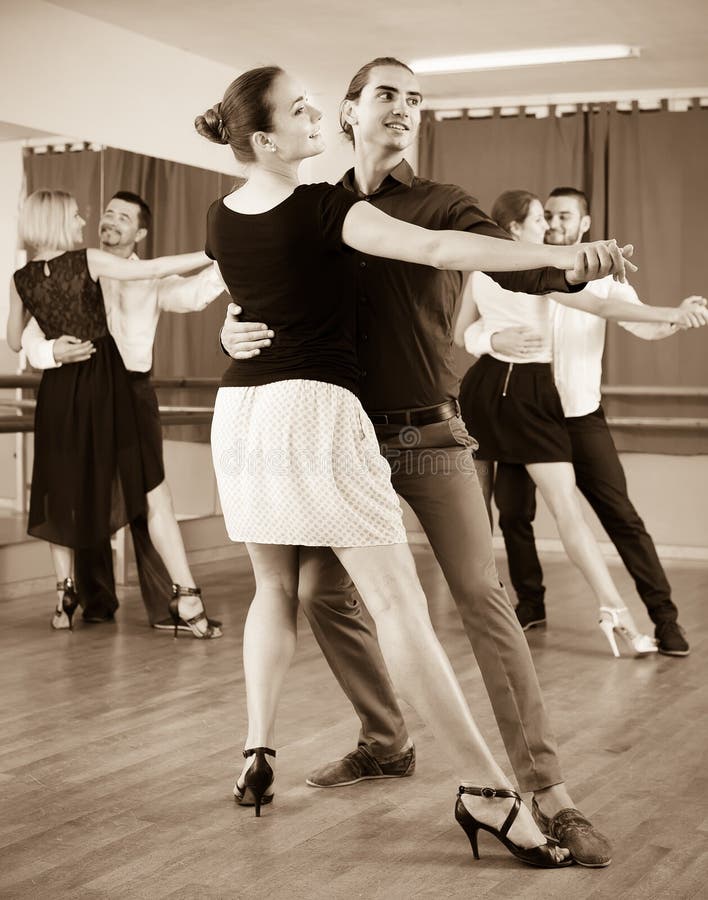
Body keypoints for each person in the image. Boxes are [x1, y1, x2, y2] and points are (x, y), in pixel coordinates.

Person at [194, 63, 639, 867]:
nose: (404, 109)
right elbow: (254, 300)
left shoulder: (436, 202)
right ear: (350, 112)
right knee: (319, 594)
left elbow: (494, 253)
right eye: (387, 95)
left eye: (416, 99)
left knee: (480, 598)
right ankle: (387, 738)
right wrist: (231, 333)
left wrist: (569, 265)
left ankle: (549, 792)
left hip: (427, 436)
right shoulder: (311, 205)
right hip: (338, 436)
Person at [454, 189, 705, 657]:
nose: (550, 225)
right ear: (518, 227)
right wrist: (493, 336)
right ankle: (531, 606)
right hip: (513, 396)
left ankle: (660, 618)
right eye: (543, 217)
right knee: (503, 514)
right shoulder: (536, 267)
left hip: (564, 410)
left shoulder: (562, 269)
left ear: (584, 223)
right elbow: (464, 330)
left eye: (560, 217)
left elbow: (620, 311)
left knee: (612, 516)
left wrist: (672, 317)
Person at [6, 189, 213, 636]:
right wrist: (51, 350)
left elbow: (12, 340)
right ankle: (109, 597)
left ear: (139, 231)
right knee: (104, 491)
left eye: (121, 217)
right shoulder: (88, 261)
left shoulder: (23, 277)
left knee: (95, 491)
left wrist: (226, 261)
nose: (99, 219)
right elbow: (24, 343)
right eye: (98, 214)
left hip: (95, 392)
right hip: (93, 382)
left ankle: (140, 600)